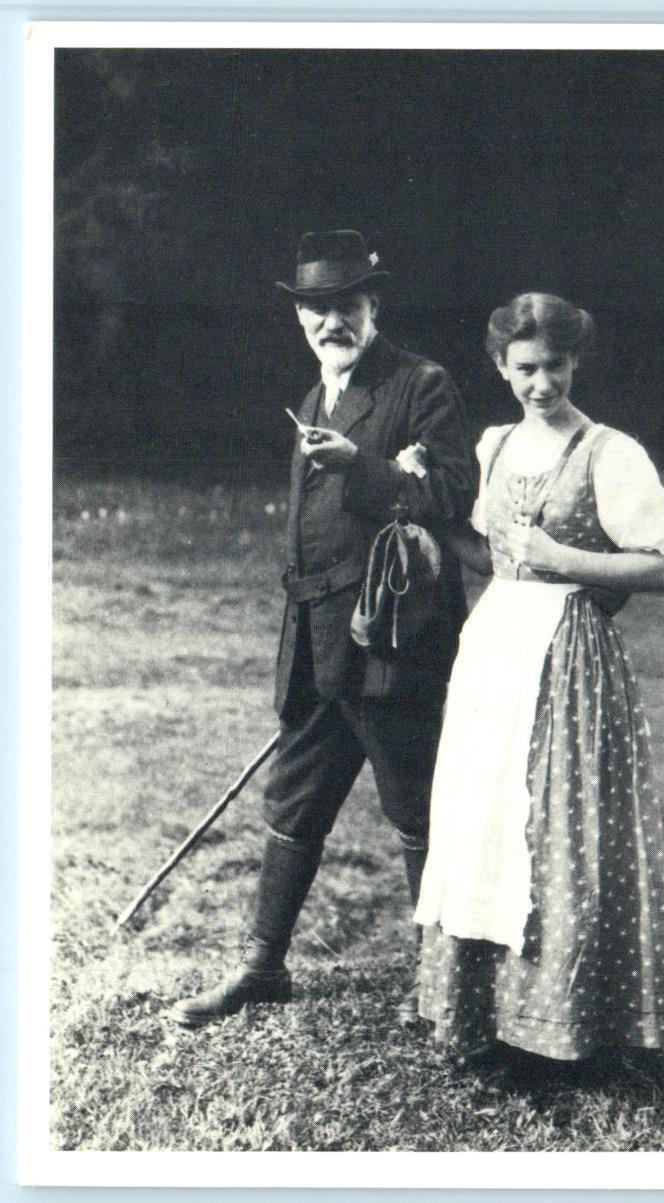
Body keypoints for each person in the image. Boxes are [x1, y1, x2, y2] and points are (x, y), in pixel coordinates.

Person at [173, 229, 476, 1028]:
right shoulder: (312, 398)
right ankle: (262, 967)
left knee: (415, 806)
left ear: (373, 305)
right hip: (315, 644)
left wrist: (364, 468)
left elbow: (451, 495)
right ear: (299, 318)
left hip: (390, 642)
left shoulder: (420, 385)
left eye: (345, 304)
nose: (329, 321)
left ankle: (442, 985)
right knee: (294, 799)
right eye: (315, 308)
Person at [414, 292, 664, 1061]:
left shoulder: (608, 450)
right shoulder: (493, 446)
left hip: (569, 655)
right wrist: (418, 517)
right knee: (483, 819)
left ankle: (569, 1024)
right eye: (526, 368)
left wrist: (563, 560)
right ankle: (483, 1016)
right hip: (494, 646)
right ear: (501, 367)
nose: (542, 384)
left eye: (555, 366)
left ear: (574, 363)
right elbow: (493, 555)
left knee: (556, 824)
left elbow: (658, 565)